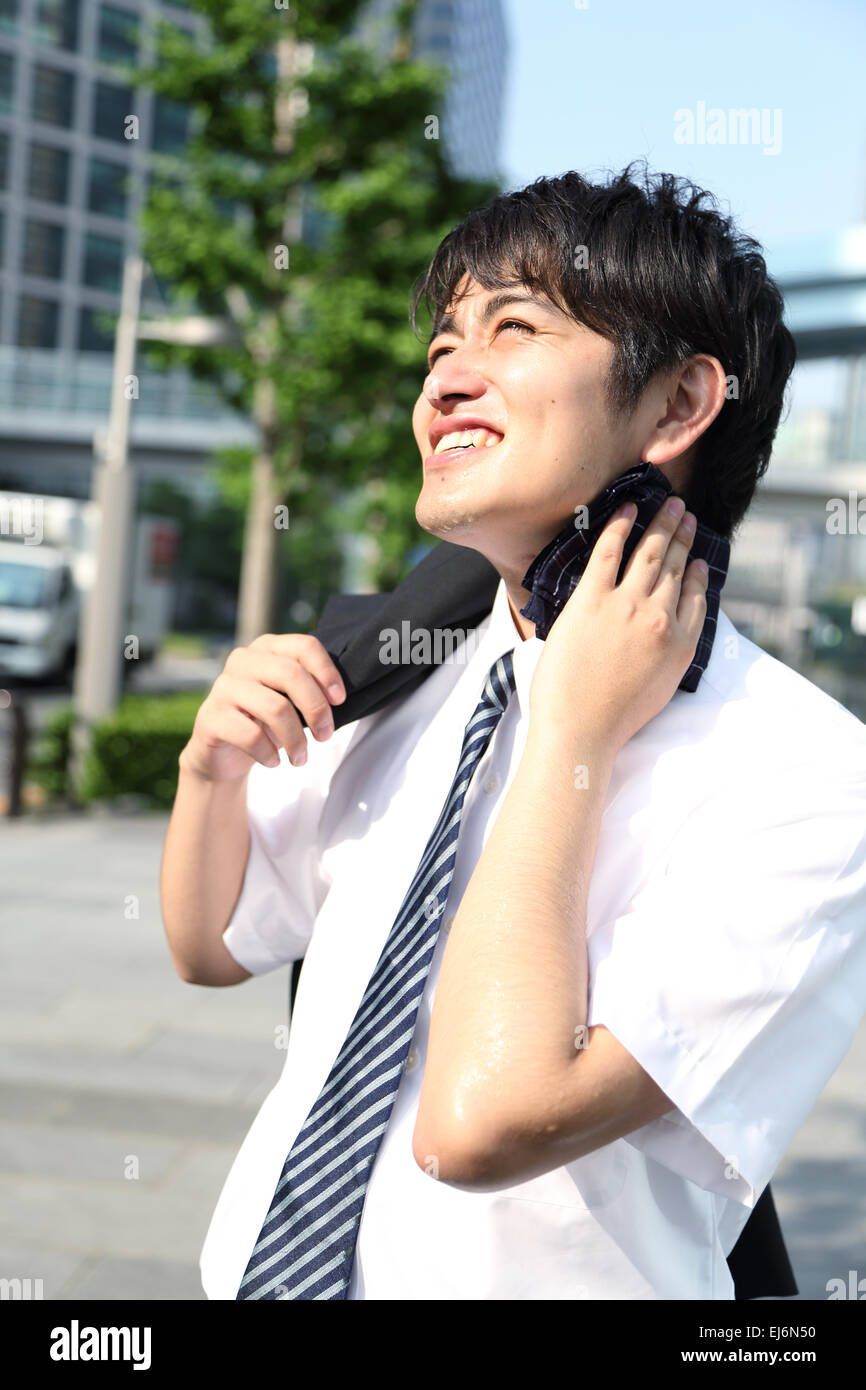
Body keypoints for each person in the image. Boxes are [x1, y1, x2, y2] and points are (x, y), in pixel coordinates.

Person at [159, 164, 866, 1300]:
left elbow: (480, 1124)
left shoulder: (805, 777)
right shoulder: (410, 658)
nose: (445, 380)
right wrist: (210, 769)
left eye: (512, 327)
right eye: (442, 344)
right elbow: (210, 946)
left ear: (679, 405)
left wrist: (573, 733)